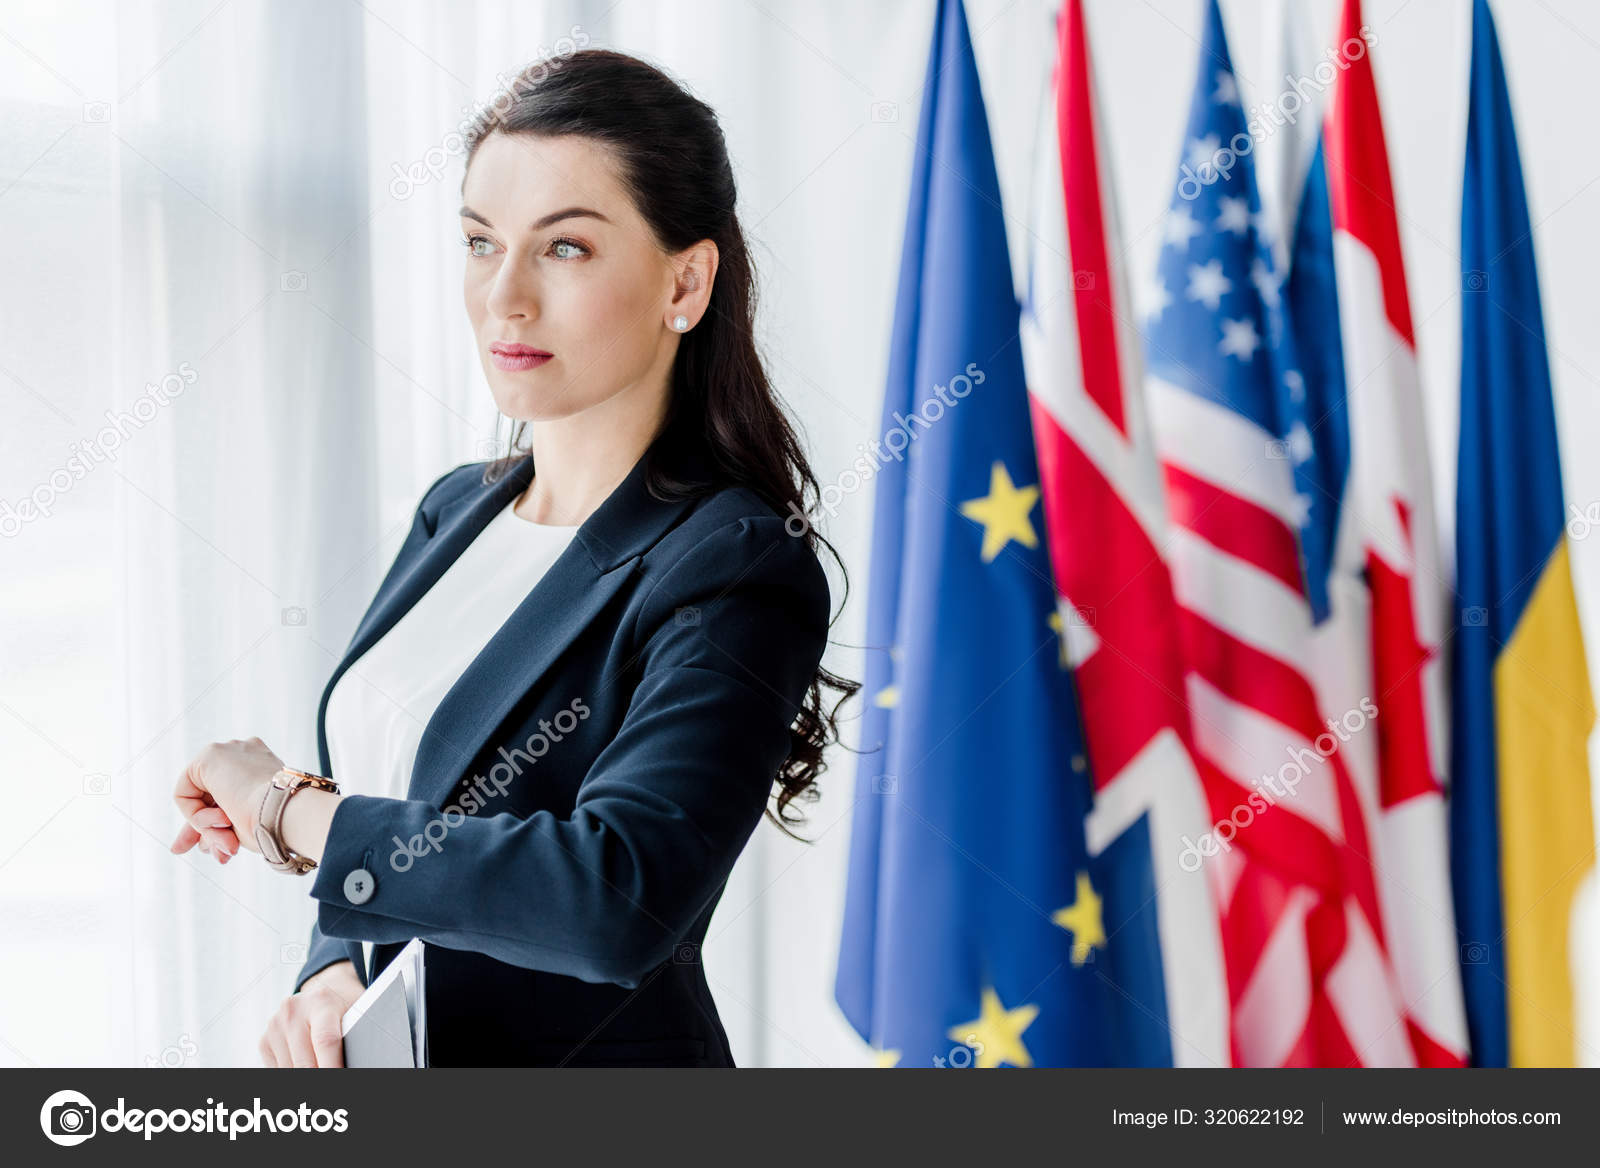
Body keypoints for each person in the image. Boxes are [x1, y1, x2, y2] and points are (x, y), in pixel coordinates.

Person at [168, 49, 857, 1068]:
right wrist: (331, 970)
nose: (506, 298)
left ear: (686, 280)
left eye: (565, 248)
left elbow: (611, 897)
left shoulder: (733, 562)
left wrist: (285, 808)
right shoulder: (460, 508)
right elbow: (396, 790)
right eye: (481, 242)